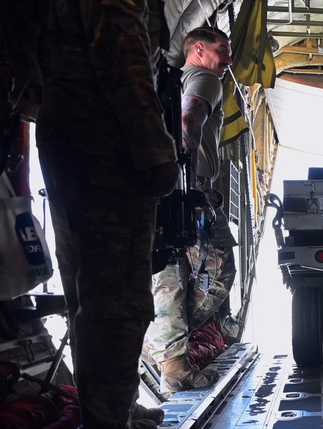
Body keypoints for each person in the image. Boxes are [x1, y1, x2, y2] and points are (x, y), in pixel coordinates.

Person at [35, 0, 178, 429]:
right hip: (107, 140)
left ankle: (109, 407)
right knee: (116, 289)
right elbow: (122, 45)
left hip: (67, 130)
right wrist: (153, 141)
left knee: (85, 283)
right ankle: (109, 425)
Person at [144, 26, 236, 396]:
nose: (228, 59)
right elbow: (188, 121)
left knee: (179, 272)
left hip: (177, 187)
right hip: (187, 190)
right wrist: (189, 183)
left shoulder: (181, 78)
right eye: (223, 50)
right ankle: (169, 357)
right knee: (205, 272)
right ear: (198, 49)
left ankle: (166, 349)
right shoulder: (205, 79)